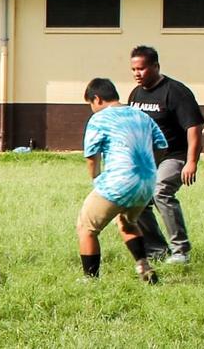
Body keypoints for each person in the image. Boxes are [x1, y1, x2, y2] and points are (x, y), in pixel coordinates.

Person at [77, 78, 167, 284]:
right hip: (146, 183)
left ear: (96, 99)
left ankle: (90, 280)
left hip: (119, 181)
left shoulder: (100, 119)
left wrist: (97, 179)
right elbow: (162, 145)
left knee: (86, 227)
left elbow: (91, 156)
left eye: (91, 104)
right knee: (127, 222)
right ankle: (144, 266)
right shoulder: (141, 115)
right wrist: (149, 169)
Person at [128, 45, 203, 265]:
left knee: (161, 191)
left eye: (141, 69)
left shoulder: (175, 91)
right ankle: (156, 250)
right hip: (148, 158)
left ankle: (181, 251)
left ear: (156, 66)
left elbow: (194, 128)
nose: (137, 74)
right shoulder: (136, 94)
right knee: (136, 199)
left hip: (175, 155)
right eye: (133, 70)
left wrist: (191, 162)